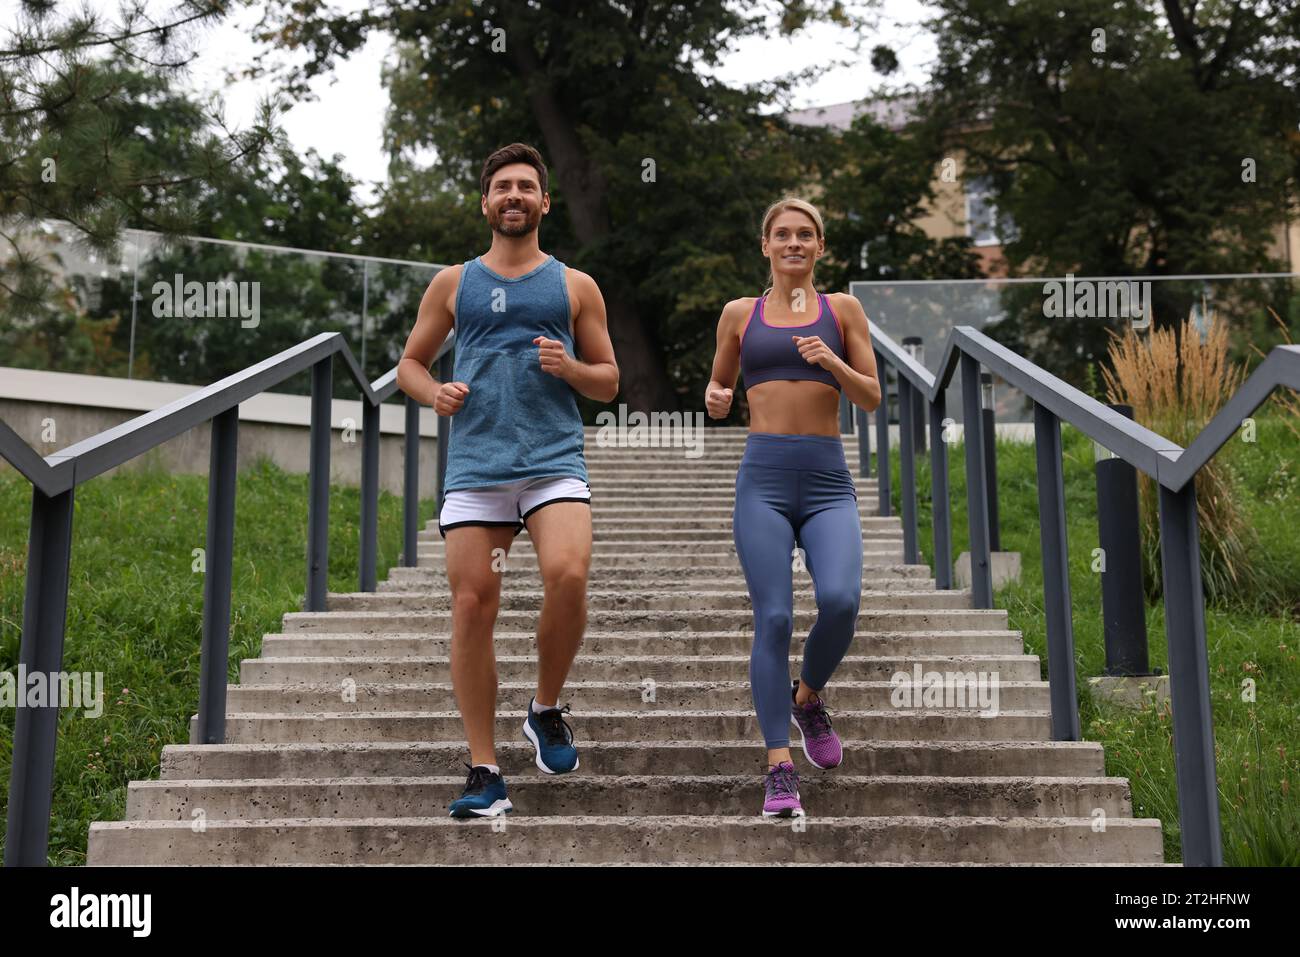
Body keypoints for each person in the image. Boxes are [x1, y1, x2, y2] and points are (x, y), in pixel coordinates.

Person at [397, 143, 619, 817]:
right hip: (477, 467)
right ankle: (485, 769)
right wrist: (433, 392)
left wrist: (570, 369)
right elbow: (410, 362)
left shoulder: (575, 285)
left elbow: (608, 381)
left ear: (544, 202)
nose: (514, 195)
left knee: (569, 574)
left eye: (526, 186)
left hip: (553, 459)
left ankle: (545, 706)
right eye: (503, 187)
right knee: (472, 605)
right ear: (486, 203)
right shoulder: (453, 283)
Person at [704, 196, 882, 817]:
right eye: (782, 234)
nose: (794, 243)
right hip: (764, 481)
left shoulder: (844, 311)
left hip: (828, 478)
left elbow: (873, 396)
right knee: (774, 617)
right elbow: (719, 386)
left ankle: (807, 698)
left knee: (840, 601)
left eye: (805, 234)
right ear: (766, 246)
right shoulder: (737, 314)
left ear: (820, 247)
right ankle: (779, 766)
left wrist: (830, 359)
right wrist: (716, 396)